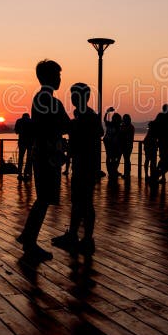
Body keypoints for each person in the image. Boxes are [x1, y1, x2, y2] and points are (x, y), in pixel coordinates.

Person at [16, 60, 70, 261]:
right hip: (48, 156)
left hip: (41, 154)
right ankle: (29, 241)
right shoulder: (51, 101)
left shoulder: (39, 98)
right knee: (44, 198)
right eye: (57, 75)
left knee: (43, 199)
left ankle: (28, 237)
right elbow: (64, 125)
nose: (60, 79)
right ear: (49, 77)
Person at [51, 83, 103, 255]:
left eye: (75, 95)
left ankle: (87, 238)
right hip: (82, 165)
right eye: (73, 95)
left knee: (85, 202)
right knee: (78, 201)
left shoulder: (87, 118)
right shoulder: (86, 117)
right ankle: (74, 235)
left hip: (86, 165)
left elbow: (88, 141)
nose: (73, 98)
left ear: (84, 97)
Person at [15, 113, 35, 180]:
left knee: (21, 158)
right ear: (28, 116)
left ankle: (20, 174)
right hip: (30, 143)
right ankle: (26, 172)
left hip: (22, 142)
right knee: (29, 159)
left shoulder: (19, 121)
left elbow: (16, 131)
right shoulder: (32, 121)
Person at [103, 109, 122, 180]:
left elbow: (104, 119)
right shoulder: (117, 126)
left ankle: (111, 171)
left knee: (109, 156)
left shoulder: (109, 124)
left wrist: (107, 112)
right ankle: (113, 170)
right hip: (112, 143)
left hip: (107, 141)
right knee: (114, 157)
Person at [119, 114, 135, 180]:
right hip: (127, 145)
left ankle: (127, 174)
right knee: (127, 159)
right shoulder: (131, 127)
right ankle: (127, 173)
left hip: (126, 145)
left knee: (126, 160)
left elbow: (122, 134)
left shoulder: (127, 127)